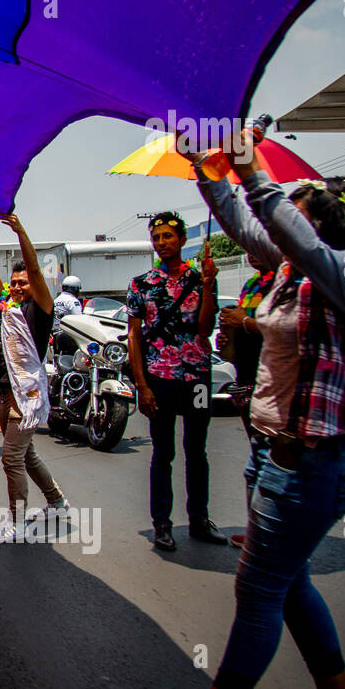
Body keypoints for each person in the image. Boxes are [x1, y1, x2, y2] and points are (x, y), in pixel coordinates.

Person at [193, 150, 345, 689]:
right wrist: (207, 173)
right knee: (290, 582)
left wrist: (253, 168)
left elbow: (292, 235)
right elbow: (243, 222)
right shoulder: (290, 268)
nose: (281, 227)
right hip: (272, 454)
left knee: (258, 588)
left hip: (314, 461)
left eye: (295, 213)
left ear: (324, 223)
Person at [126, 211, 224, 551]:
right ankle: (162, 524)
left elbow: (206, 329)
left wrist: (209, 284)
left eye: (168, 236)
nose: (162, 243)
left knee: (197, 452)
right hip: (160, 379)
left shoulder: (201, 279)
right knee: (162, 453)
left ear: (182, 240)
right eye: (157, 238)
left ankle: (199, 518)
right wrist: (142, 384)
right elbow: (134, 338)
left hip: (196, 378)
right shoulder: (141, 285)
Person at [0, 216, 70, 544]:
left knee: (11, 458)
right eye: (13, 283)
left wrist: (19, 231)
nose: (16, 287)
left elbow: (34, 268)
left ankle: (16, 524)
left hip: (25, 396)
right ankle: (57, 501)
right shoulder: (8, 308)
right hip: (4, 392)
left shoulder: (42, 308)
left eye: (22, 282)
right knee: (26, 454)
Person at [217, 253, 274, 548]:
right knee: (256, 466)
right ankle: (258, 534)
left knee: (267, 465)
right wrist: (228, 339)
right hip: (248, 382)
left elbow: (286, 332)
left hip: (274, 388)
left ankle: (270, 540)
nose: (252, 250)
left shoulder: (287, 284)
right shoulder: (253, 284)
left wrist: (246, 322)